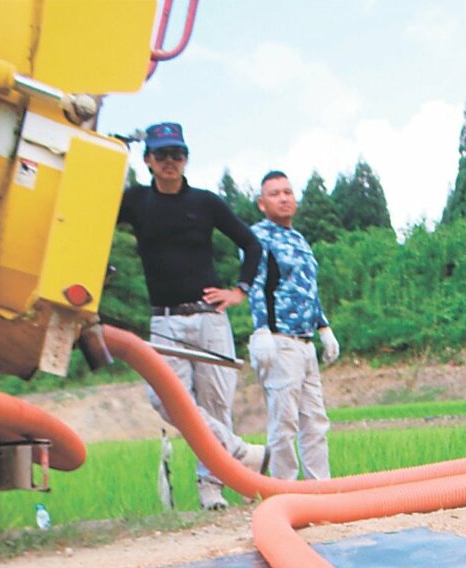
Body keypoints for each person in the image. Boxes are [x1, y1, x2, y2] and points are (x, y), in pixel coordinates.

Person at [117, 121, 266, 510]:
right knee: (165, 399)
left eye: (177, 154)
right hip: (164, 321)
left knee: (215, 403)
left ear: (186, 159)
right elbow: (94, 216)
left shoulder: (205, 202)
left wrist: (239, 291)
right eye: (161, 154)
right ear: (148, 159)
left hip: (210, 317)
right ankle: (236, 449)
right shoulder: (135, 202)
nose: (169, 161)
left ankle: (211, 489)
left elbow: (251, 245)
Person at [246, 170, 339, 480]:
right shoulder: (258, 236)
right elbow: (255, 286)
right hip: (278, 340)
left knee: (315, 420)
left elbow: (308, 289)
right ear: (262, 203)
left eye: (287, 192)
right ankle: (284, 490)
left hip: (305, 342)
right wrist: (260, 330)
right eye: (275, 193)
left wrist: (323, 327)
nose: (283, 198)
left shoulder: (299, 239)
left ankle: (320, 489)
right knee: (284, 423)